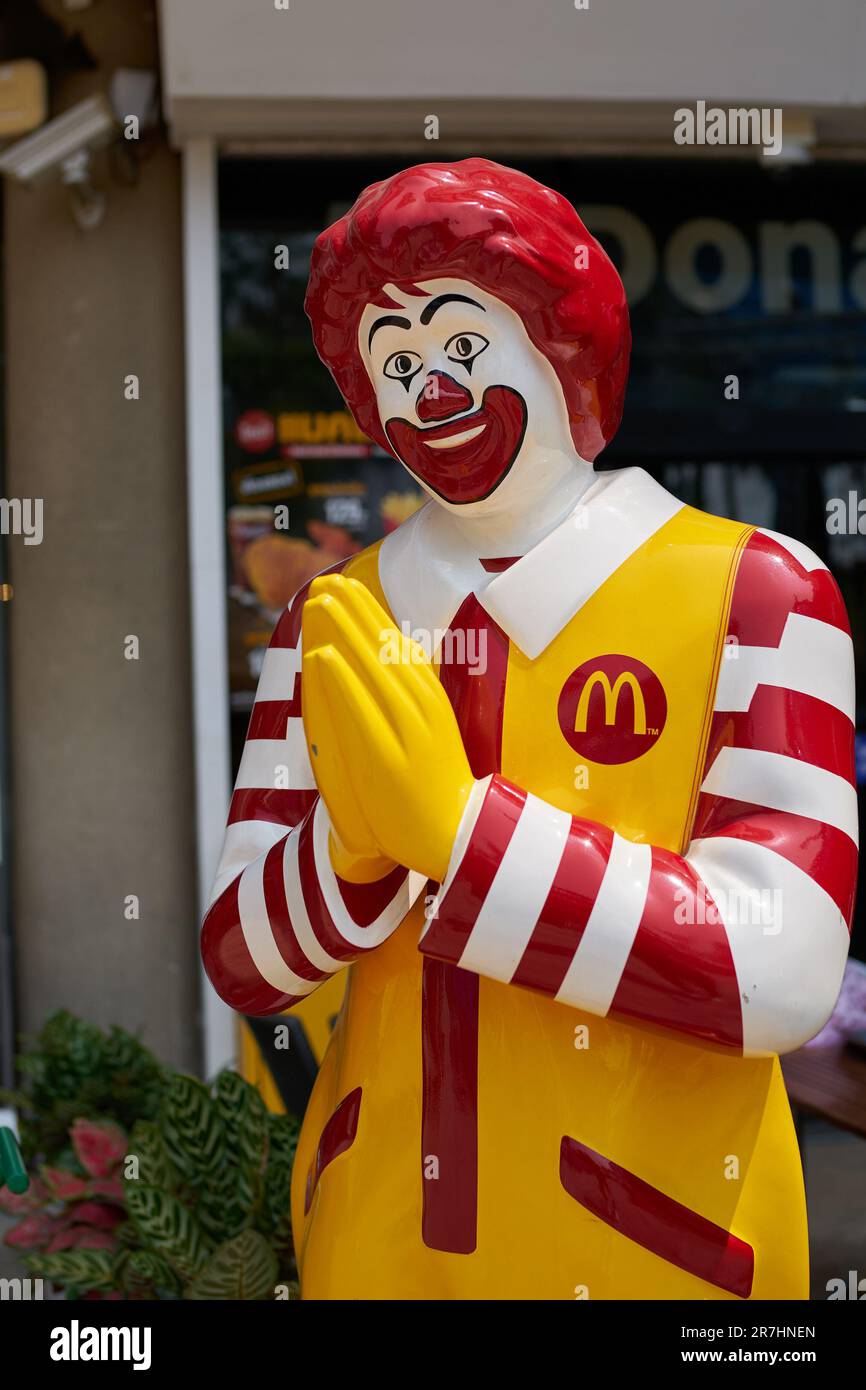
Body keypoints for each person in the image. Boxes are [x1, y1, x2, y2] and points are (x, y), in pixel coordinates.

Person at [201, 159, 856, 1300]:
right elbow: (243, 957)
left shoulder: (758, 590)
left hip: (663, 1245)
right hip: (376, 1239)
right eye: (393, 362)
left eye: (461, 344)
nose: (429, 391)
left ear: (564, 346)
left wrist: (461, 839)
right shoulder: (329, 617)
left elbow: (780, 970)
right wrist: (354, 849)